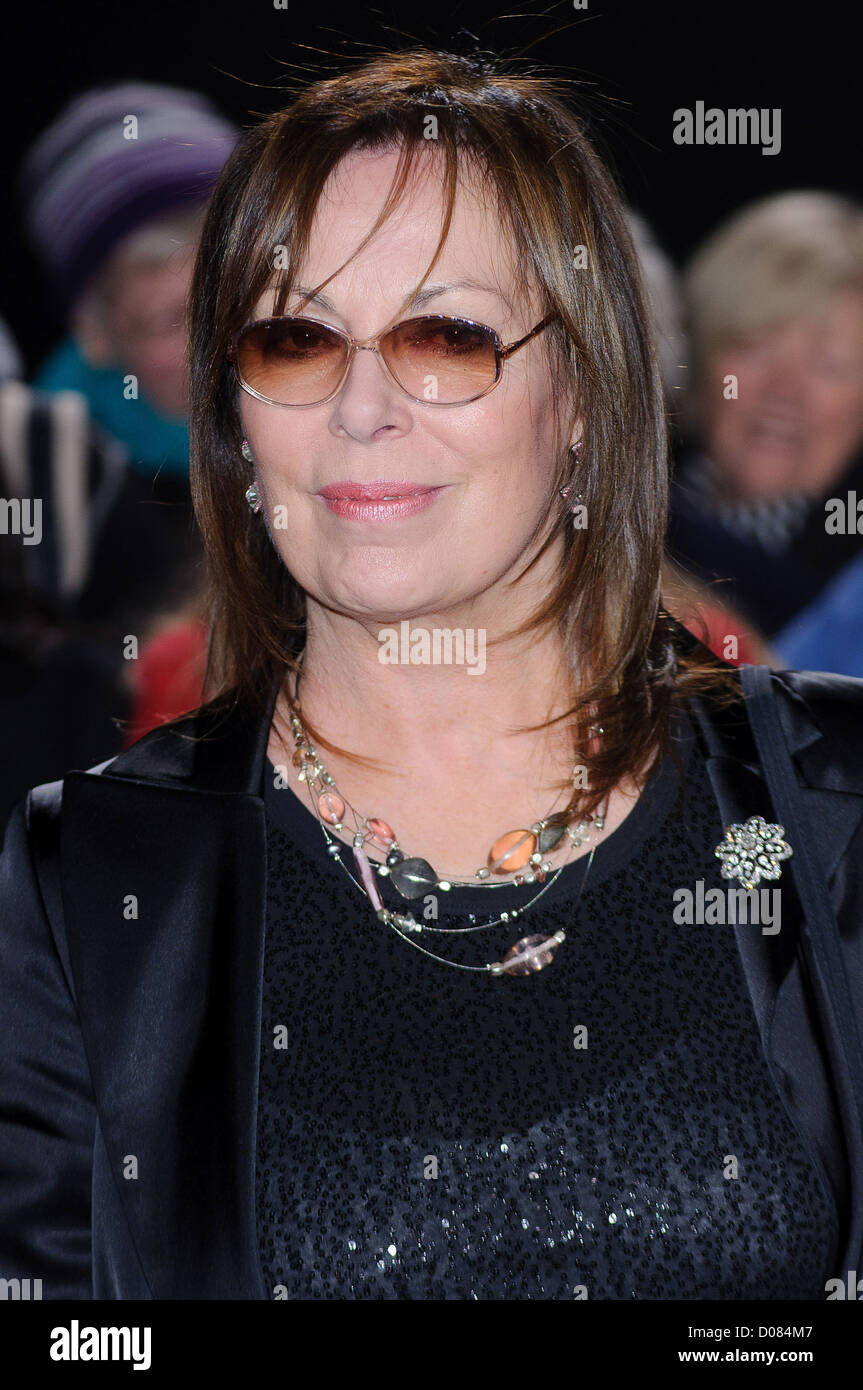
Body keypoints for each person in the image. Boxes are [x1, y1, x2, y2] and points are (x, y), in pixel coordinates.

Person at [1, 48, 862, 1302]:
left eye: (445, 335)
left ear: (581, 388)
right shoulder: (97, 876)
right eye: (295, 337)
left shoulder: (826, 806)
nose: (360, 407)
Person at [668, 191, 863, 639]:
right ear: (699, 353)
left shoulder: (843, 605)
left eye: (829, 364)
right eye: (753, 346)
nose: (784, 392)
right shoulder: (613, 500)